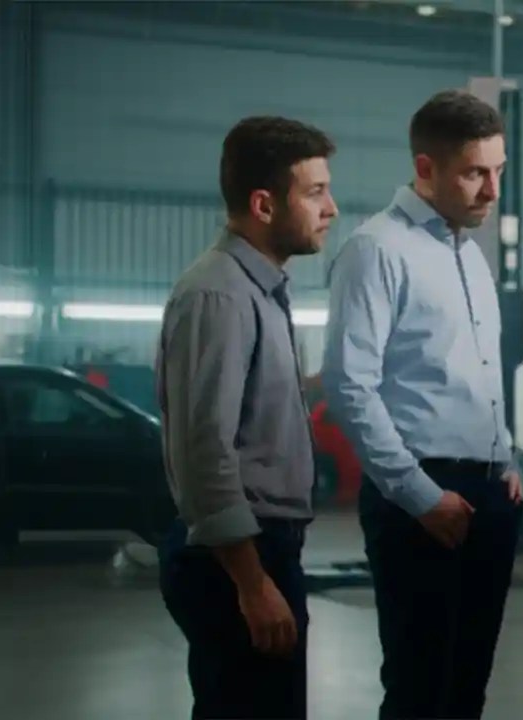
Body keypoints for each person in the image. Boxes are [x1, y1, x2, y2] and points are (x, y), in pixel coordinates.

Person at [321, 89, 523, 720]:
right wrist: (418, 494)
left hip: (488, 490)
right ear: (425, 167)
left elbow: (479, 375)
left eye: (499, 172)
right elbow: (349, 384)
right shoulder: (377, 249)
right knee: (419, 689)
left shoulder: (468, 254)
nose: (492, 190)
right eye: (474, 173)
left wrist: (507, 457)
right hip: (420, 496)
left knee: (466, 688)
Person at [156, 115, 339, 719]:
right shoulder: (220, 294)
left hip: (264, 551)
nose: (330, 208)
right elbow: (205, 450)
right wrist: (253, 584)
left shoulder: (260, 292)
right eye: (314, 192)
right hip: (238, 560)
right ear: (263, 204)